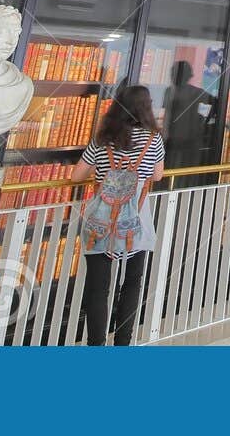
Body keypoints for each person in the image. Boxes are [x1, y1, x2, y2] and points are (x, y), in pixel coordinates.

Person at [73, 85, 164, 345]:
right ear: (146, 108)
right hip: (136, 219)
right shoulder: (152, 139)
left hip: (101, 219)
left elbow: (77, 175)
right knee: (133, 281)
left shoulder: (102, 138)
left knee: (98, 287)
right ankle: (124, 341)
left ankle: (96, 345)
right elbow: (157, 175)